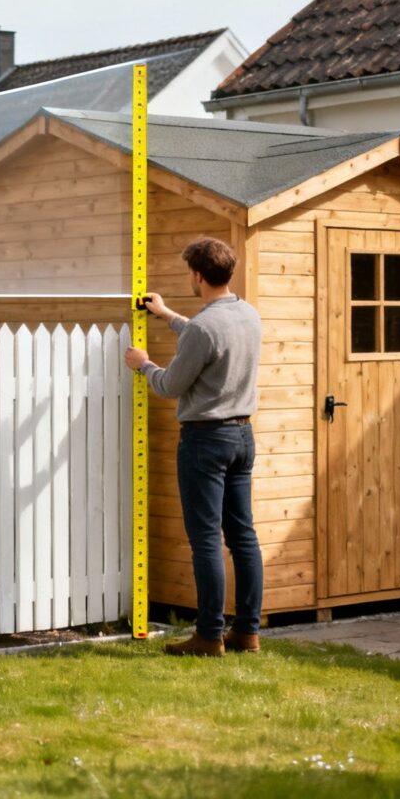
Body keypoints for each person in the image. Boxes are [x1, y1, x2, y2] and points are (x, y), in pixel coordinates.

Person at [124, 236, 263, 657]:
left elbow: (170, 384)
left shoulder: (204, 327)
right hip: (242, 436)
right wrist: (167, 314)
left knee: (205, 539)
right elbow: (206, 340)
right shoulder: (247, 314)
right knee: (242, 536)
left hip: (206, 440)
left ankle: (208, 635)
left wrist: (144, 365)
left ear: (198, 275)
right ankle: (247, 632)